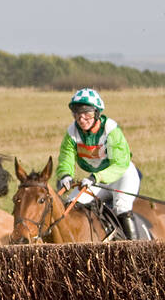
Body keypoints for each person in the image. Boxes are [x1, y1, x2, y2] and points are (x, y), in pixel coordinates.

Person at [54, 88, 143, 240]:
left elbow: (119, 164)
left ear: (96, 113)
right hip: (95, 179)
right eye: (77, 114)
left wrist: (96, 177)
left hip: (122, 176)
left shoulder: (111, 129)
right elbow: (66, 158)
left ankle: (135, 249)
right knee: (70, 206)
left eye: (87, 114)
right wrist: (65, 175)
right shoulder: (72, 132)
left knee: (122, 207)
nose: (82, 119)